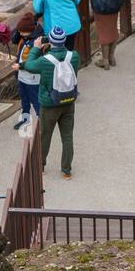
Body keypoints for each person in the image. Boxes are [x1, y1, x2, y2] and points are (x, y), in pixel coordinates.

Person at [24, 24, 80, 178]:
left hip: (49, 104)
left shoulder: (45, 60)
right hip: (68, 101)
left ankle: (40, 167)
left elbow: (28, 65)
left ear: (50, 41)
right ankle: (66, 171)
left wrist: (35, 48)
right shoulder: (74, 56)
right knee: (67, 136)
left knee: (45, 136)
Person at [13, 13, 42, 130]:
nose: (20, 33)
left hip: (32, 78)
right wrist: (18, 32)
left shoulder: (36, 43)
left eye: (22, 31)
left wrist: (19, 66)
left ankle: (42, 122)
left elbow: (32, 62)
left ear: (29, 30)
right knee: (24, 100)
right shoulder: (25, 37)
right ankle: (25, 119)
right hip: (22, 77)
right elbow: (14, 40)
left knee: (36, 101)